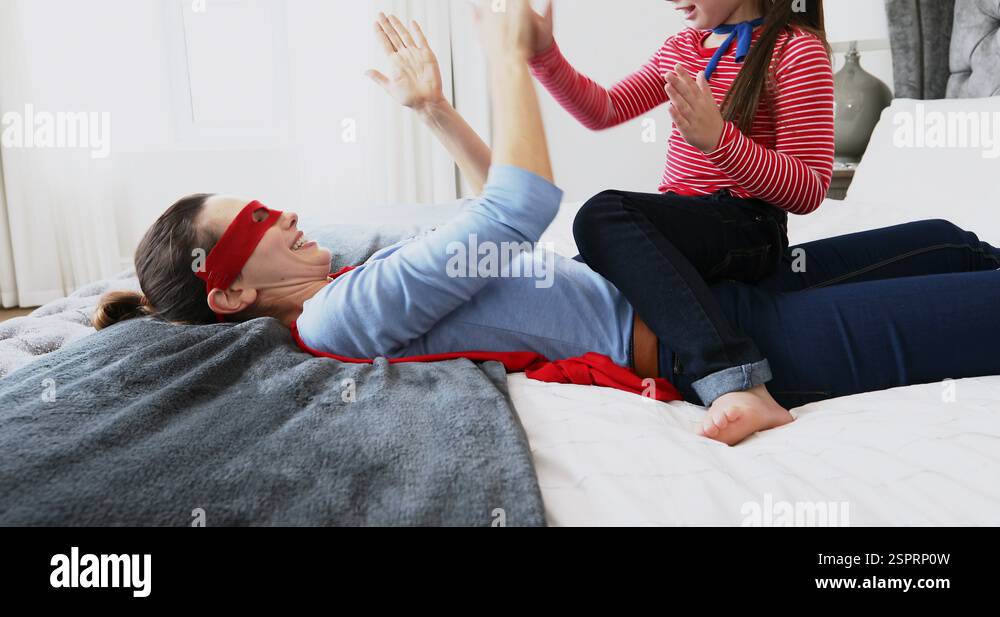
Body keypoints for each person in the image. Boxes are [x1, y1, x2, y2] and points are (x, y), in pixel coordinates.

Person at [94, 5, 1000, 446]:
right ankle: (739, 384)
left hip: (705, 278)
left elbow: (498, 227)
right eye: (258, 220)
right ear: (235, 289)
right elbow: (524, 203)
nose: (289, 212)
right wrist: (506, 50)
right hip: (693, 334)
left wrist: (437, 112)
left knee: (955, 239)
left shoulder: (341, 279)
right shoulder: (336, 316)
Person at [524, 0, 834, 442]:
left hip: (748, 227)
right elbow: (604, 109)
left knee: (601, 217)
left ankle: (736, 379)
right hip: (689, 229)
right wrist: (544, 54)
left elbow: (808, 189)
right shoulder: (683, 49)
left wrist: (720, 141)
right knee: (583, 272)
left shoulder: (796, 50)